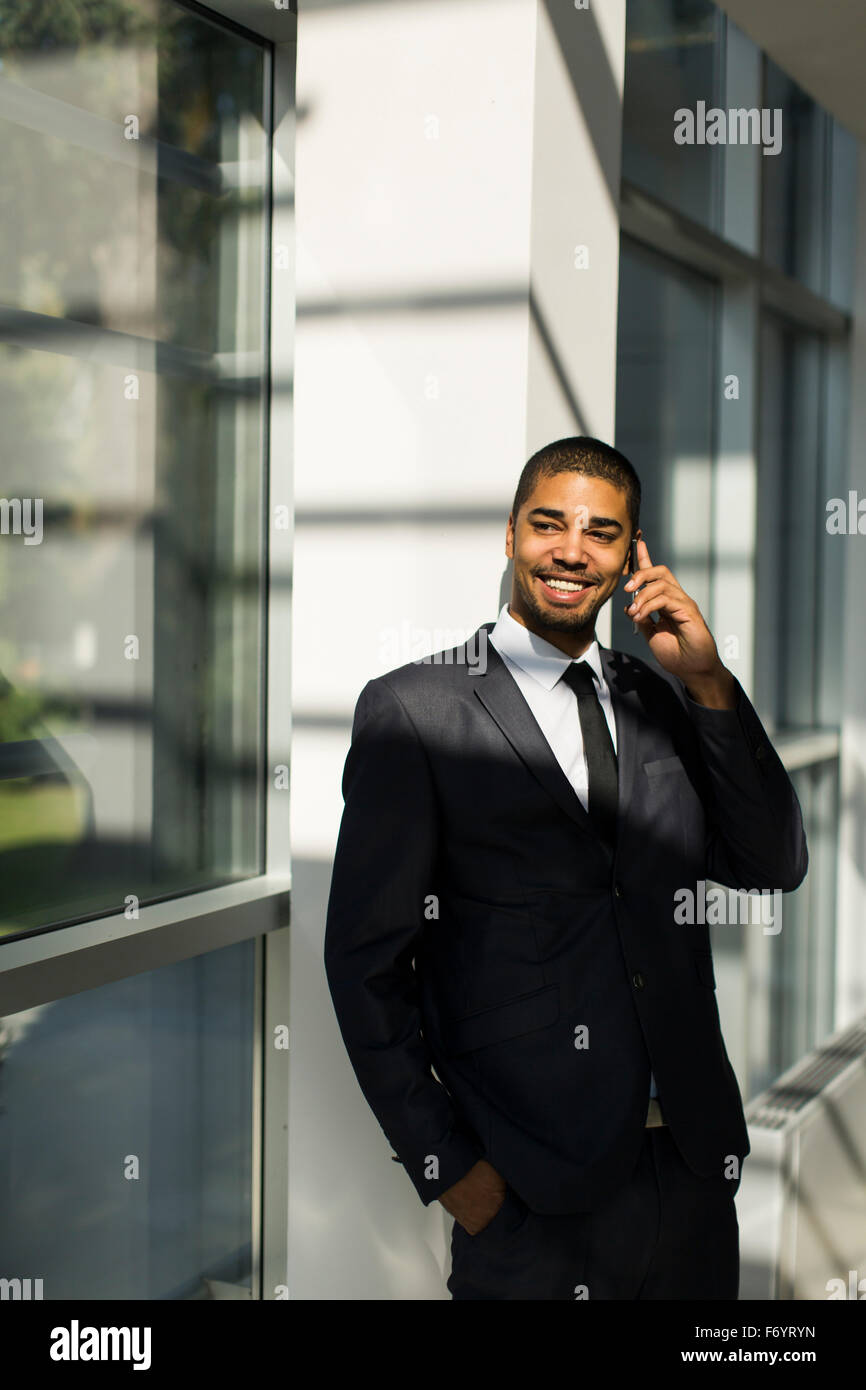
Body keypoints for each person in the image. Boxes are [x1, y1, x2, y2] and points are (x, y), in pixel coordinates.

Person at [323, 435, 808, 1300]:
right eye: (549, 524)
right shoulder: (416, 712)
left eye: (603, 534)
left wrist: (709, 684)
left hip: (691, 1171)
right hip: (529, 1194)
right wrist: (454, 1174)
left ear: (629, 558)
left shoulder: (656, 695)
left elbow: (770, 861)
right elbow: (364, 966)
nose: (572, 551)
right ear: (510, 536)